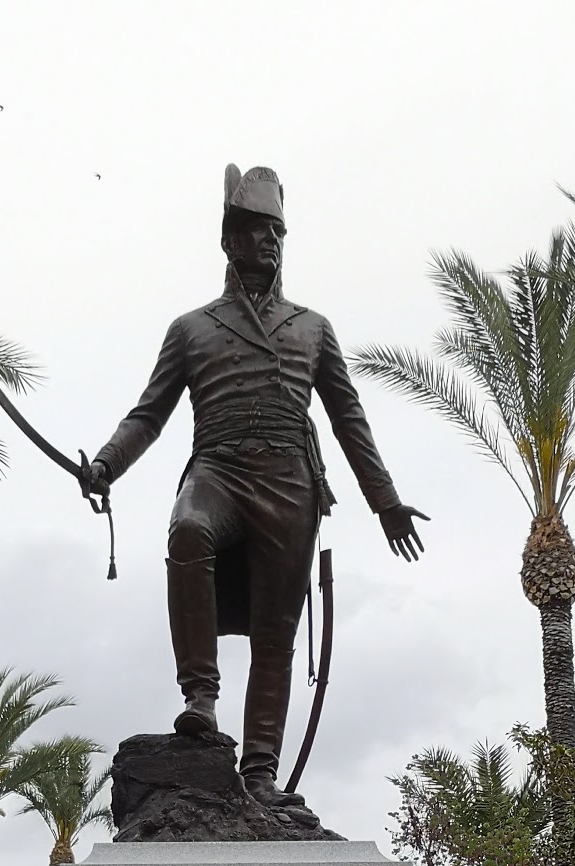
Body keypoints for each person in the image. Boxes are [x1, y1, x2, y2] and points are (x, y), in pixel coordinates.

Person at [83, 163, 428, 813]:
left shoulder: (312, 328)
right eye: (255, 229)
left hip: (290, 485)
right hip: (219, 471)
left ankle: (261, 772)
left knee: (275, 633)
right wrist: (106, 464)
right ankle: (201, 699)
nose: (269, 240)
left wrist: (385, 502)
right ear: (229, 240)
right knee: (187, 528)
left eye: (277, 230)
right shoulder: (191, 328)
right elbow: (149, 414)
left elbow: (349, 421)